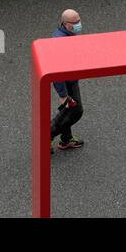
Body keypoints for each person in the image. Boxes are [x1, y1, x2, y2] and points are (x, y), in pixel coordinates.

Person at [50, 11, 85, 151]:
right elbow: (56, 72)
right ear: (65, 24)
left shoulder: (69, 34)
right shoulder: (60, 42)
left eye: (79, 21)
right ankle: (47, 134)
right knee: (76, 111)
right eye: (75, 23)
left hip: (71, 79)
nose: (78, 25)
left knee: (68, 110)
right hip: (67, 83)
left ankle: (66, 139)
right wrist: (63, 95)